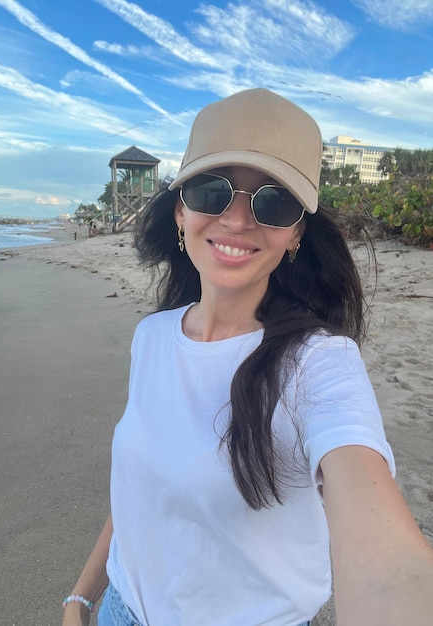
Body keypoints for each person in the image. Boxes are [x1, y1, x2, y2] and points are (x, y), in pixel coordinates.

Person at [62, 89, 433, 626]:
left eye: (273, 201)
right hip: (120, 610)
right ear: (181, 210)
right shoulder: (152, 337)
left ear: (297, 233)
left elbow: (388, 562)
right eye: (212, 190)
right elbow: (140, 494)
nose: (236, 220)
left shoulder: (319, 364)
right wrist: (81, 596)